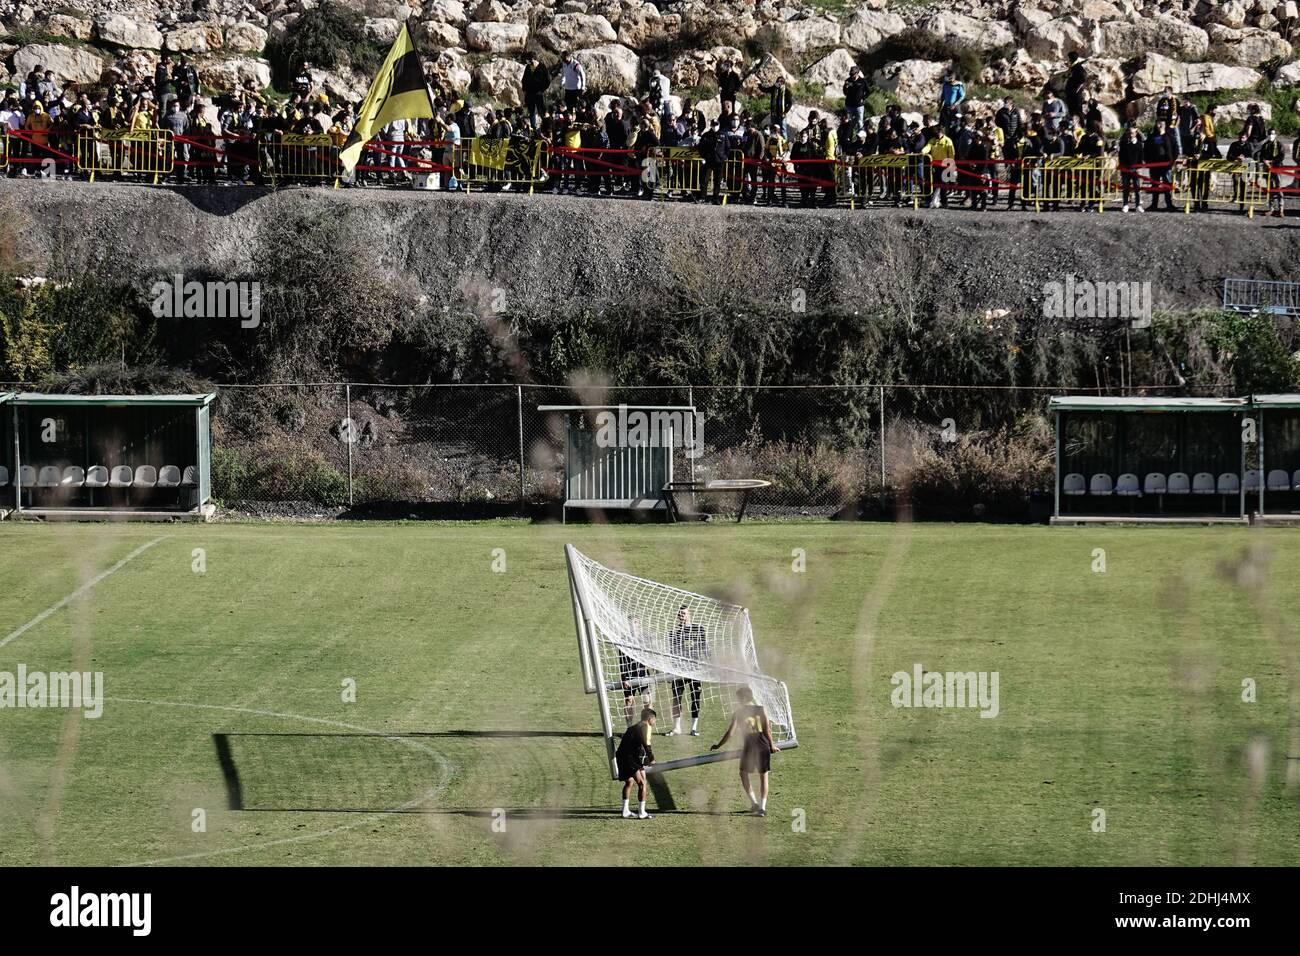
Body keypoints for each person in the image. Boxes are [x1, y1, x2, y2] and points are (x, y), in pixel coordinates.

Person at [710, 686, 778, 816]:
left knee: (743, 773)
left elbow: (730, 733)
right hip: (763, 745)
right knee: (764, 777)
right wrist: (772, 746)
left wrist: (718, 745)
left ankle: (754, 803)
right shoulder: (761, 709)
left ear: (741, 699)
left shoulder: (739, 713)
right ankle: (762, 808)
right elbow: (767, 730)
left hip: (749, 747)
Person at [666, 605, 706, 733]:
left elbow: (704, 648)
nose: (682, 616)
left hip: (695, 669)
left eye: (684, 613)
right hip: (679, 669)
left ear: (689, 614)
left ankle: (694, 728)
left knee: (695, 697)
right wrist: (669, 669)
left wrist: (708, 664)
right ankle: (677, 727)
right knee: (677, 698)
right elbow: (671, 652)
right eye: (680, 614)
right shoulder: (674, 633)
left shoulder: (698, 629)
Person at [616, 707, 656, 819]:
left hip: (621, 756)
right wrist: (652, 759)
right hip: (630, 759)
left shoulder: (634, 727)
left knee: (629, 782)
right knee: (642, 784)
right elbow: (646, 745)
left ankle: (625, 811)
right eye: (654, 719)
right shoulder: (645, 727)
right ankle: (642, 813)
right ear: (650, 718)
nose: (655, 722)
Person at [521, 54, 549, 128]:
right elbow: (524, 79)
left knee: (542, 110)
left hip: (538, 93)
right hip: (529, 93)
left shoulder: (542, 67)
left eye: (530, 60)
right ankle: (533, 128)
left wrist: (542, 90)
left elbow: (547, 80)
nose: (529, 62)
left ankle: (546, 126)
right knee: (531, 111)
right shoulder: (528, 67)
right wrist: (524, 90)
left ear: (534, 59)